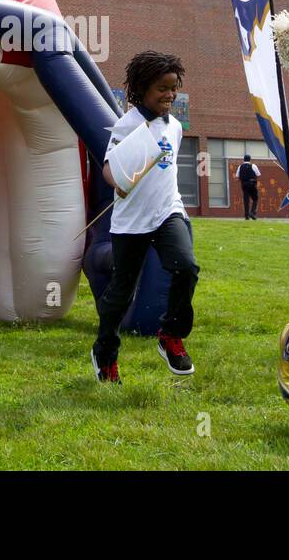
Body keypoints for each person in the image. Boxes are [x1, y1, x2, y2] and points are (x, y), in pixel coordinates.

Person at [91, 50, 200, 383]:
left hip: (168, 211)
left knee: (186, 268)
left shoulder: (176, 127)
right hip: (131, 220)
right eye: (161, 89)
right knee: (120, 293)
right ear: (142, 89)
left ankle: (170, 336)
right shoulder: (128, 125)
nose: (169, 95)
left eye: (173, 88)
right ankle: (104, 352)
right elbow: (110, 168)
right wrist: (118, 182)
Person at [236, 154, 260, 219]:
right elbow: (258, 174)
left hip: (244, 185)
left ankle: (246, 216)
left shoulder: (240, 166)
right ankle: (252, 212)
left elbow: (237, 176)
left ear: (244, 160)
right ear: (250, 159)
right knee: (255, 198)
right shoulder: (253, 166)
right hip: (252, 184)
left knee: (246, 200)